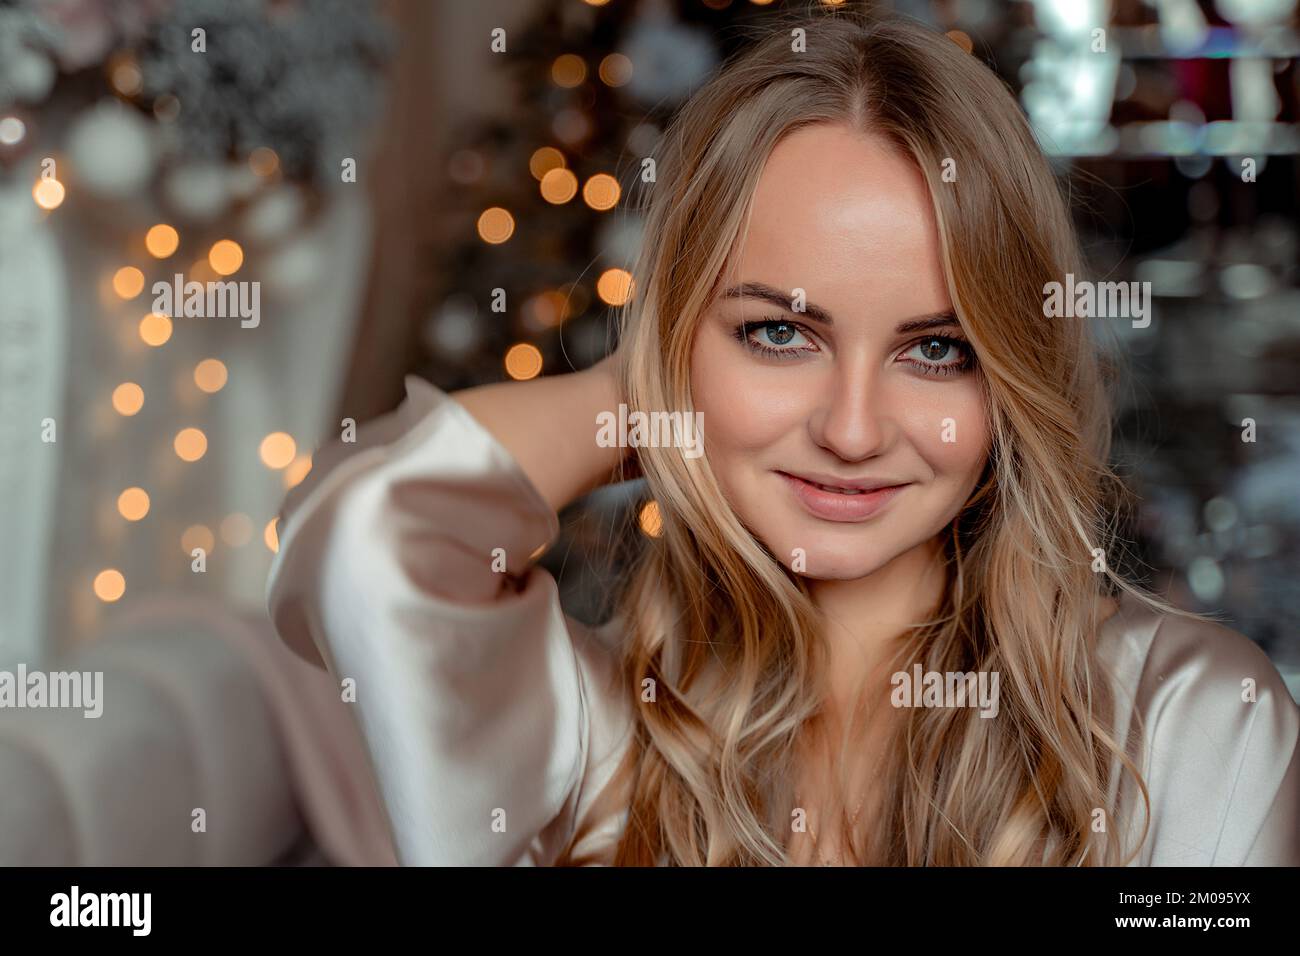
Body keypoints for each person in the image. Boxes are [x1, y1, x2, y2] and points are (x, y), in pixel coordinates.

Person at [266, 8, 1299, 866]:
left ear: (1009, 376)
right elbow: (366, 535)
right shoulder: (587, 747)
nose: (851, 431)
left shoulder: (1180, 724)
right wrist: (657, 390)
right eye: (778, 332)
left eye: (936, 349)